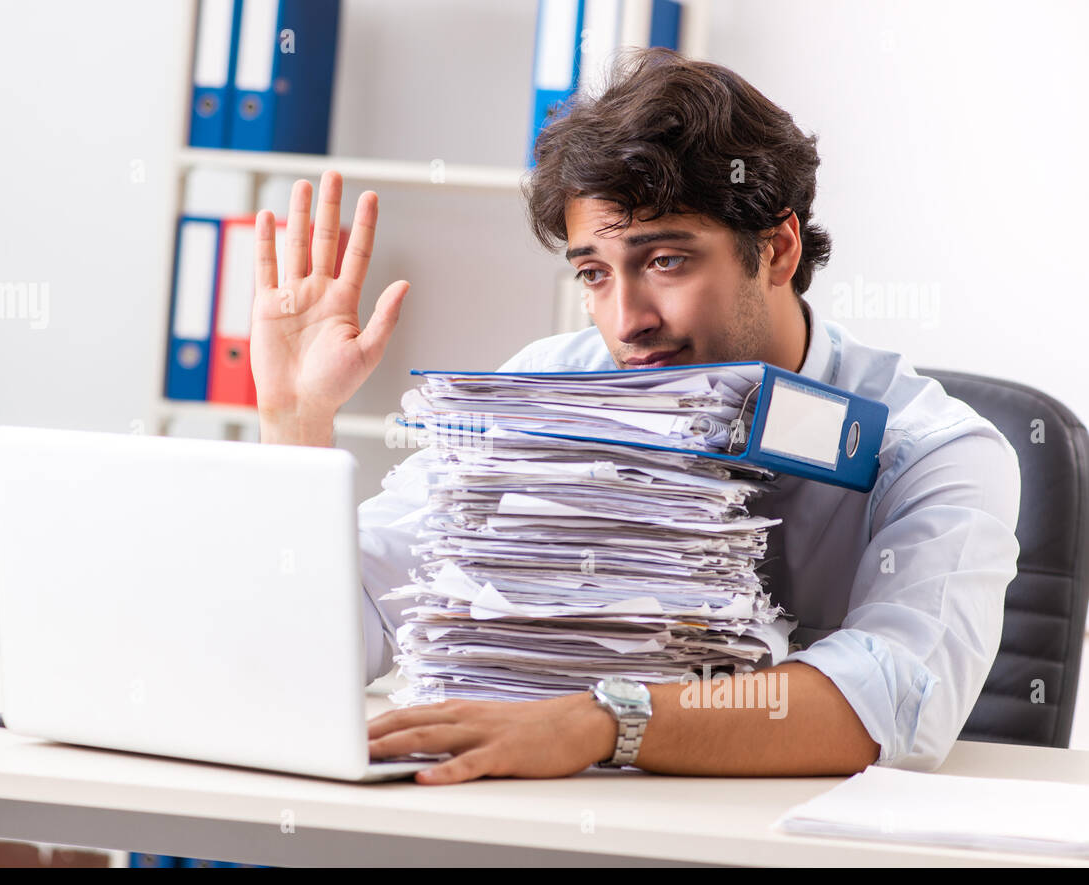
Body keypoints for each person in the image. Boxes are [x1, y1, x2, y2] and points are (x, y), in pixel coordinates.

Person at [249, 48, 1020, 785]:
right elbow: (351, 623)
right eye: (594, 273)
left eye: (666, 261)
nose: (627, 321)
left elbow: (893, 701)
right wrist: (295, 422)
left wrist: (594, 722)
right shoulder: (548, 391)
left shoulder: (935, 451)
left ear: (777, 250)